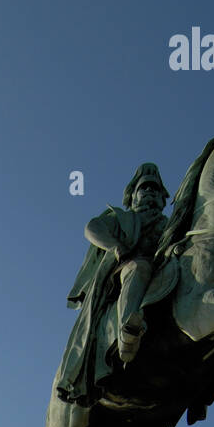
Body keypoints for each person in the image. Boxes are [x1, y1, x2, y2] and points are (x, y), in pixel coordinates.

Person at [54, 163, 170, 404]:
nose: (149, 192)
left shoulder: (170, 224)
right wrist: (116, 246)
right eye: (144, 188)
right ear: (133, 195)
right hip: (124, 269)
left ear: (162, 198)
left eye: (155, 189)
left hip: (163, 273)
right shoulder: (121, 217)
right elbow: (92, 228)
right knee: (139, 268)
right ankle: (128, 332)